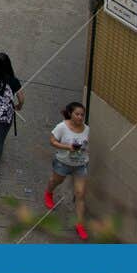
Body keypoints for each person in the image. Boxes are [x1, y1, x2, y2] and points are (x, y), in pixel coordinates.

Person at [45, 102, 91, 240]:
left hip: (80, 165)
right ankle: (49, 192)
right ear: (70, 114)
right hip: (63, 163)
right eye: (77, 114)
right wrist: (67, 147)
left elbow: (86, 144)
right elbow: (52, 141)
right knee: (56, 181)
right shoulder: (62, 127)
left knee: (80, 194)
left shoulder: (86, 129)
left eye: (82, 115)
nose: (80, 117)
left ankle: (80, 225)